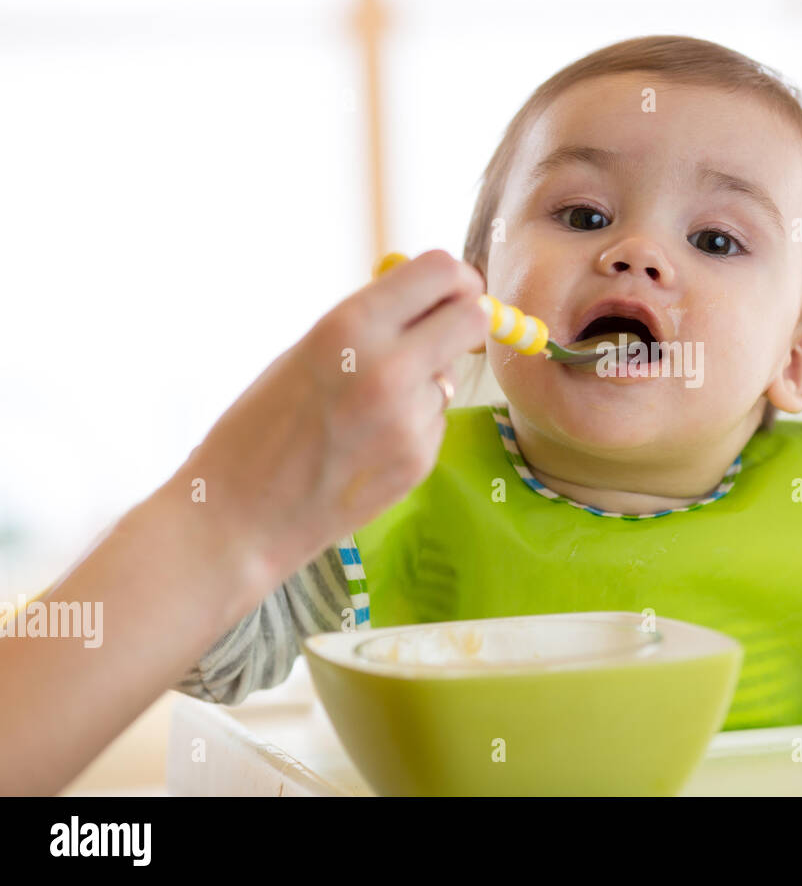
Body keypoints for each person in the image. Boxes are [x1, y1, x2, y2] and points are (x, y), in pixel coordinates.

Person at [177, 36, 802, 772]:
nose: (638, 252)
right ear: (483, 296)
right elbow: (197, 659)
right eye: (581, 217)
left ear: (795, 361)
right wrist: (261, 484)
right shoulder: (394, 495)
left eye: (717, 239)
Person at [0, 250, 489, 795]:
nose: (608, 254)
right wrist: (230, 510)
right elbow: (218, 657)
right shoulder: (396, 491)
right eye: (581, 217)